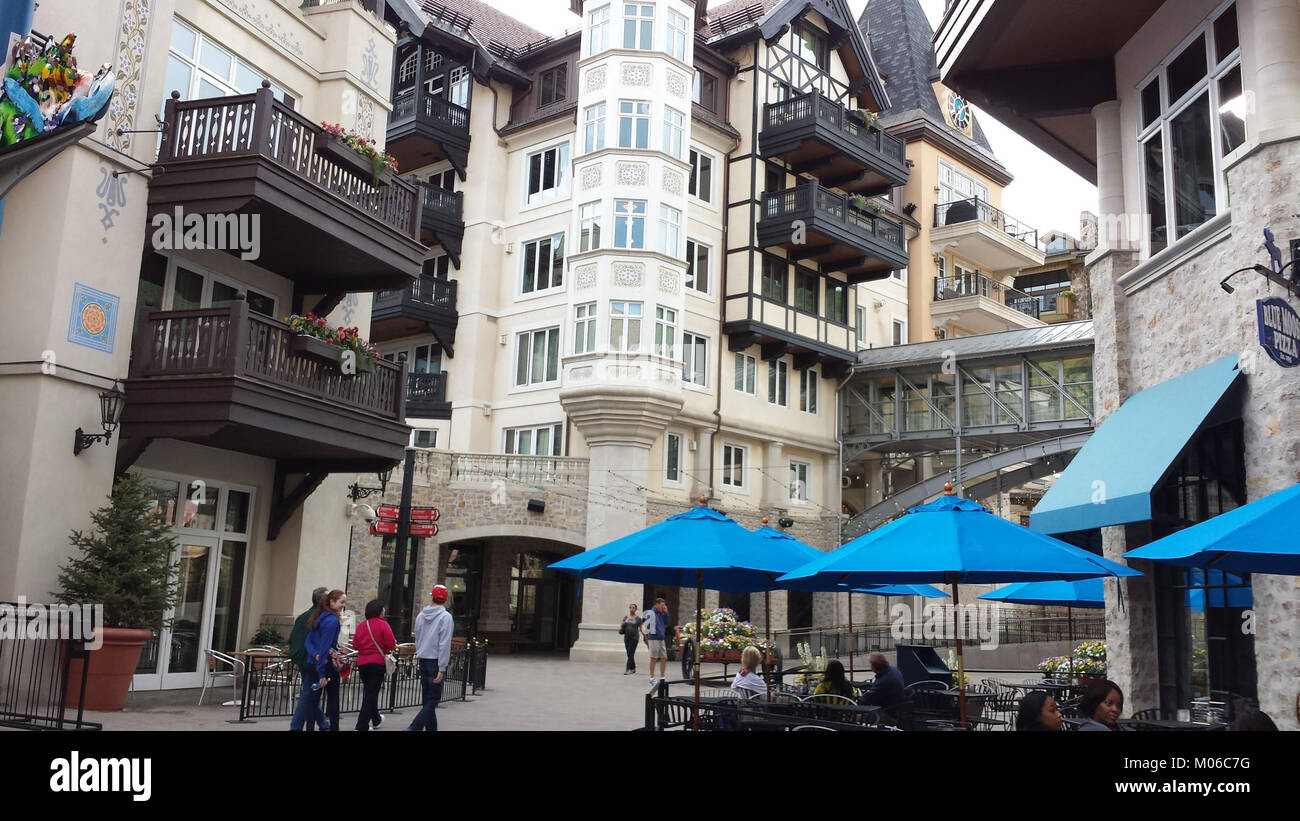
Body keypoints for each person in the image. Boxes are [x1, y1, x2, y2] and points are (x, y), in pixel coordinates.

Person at [407, 584, 454, 731]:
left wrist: (420, 653)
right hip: (436, 660)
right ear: (445, 599)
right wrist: (442, 666)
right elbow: (444, 643)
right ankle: (414, 727)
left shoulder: (421, 615)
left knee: (427, 699)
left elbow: (418, 637)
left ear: (432, 596)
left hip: (424, 658)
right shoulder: (446, 617)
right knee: (433, 699)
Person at [304, 589, 347, 733]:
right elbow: (325, 646)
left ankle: (310, 728)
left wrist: (314, 654)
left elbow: (308, 642)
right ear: (332, 602)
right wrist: (321, 673)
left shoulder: (319, 617)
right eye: (341, 602)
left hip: (313, 662)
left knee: (313, 700)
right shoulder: (332, 620)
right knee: (333, 700)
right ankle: (334, 728)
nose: (343, 605)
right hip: (326, 664)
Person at [288, 586, 330, 731]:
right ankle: (295, 727)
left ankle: (324, 725)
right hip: (313, 659)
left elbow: (292, 639)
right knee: (308, 695)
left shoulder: (302, 616)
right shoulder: (321, 617)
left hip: (302, 659)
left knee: (312, 693)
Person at [353, 598, 397, 732]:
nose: (385, 610)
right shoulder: (383, 624)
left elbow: (355, 645)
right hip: (377, 663)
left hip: (362, 663)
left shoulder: (362, 625)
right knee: (371, 694)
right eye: (383, 608)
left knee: (369, 692)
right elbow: (391, 645)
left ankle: (376, 719)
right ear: (379, 610)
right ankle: (361, 725)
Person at [640, 596, 671, 684]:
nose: (663, 607)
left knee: (664, 658)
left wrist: (666, 613)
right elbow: (646, 625)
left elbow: (666, 622)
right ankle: (652, 677)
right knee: (653, 658)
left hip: (661, 638)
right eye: (662, 605)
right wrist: (653, 633)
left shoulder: (662, 613)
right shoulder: (651, 613)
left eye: (664, 605)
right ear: (657, 604)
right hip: (654, 639)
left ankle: (662, 677)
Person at [619, 602, 642, 676]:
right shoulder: (626, 617)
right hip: (627, 637)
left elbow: (641, 628)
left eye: (633, 608)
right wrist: (622, 625)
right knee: (629, 653)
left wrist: (646, 637)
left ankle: (628, 669)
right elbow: (622, 626)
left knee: (631, 653)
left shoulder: (638, 619)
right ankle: (633, 668)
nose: (632, 609)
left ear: (635, 609)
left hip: (634, 638)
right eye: (630, 607)